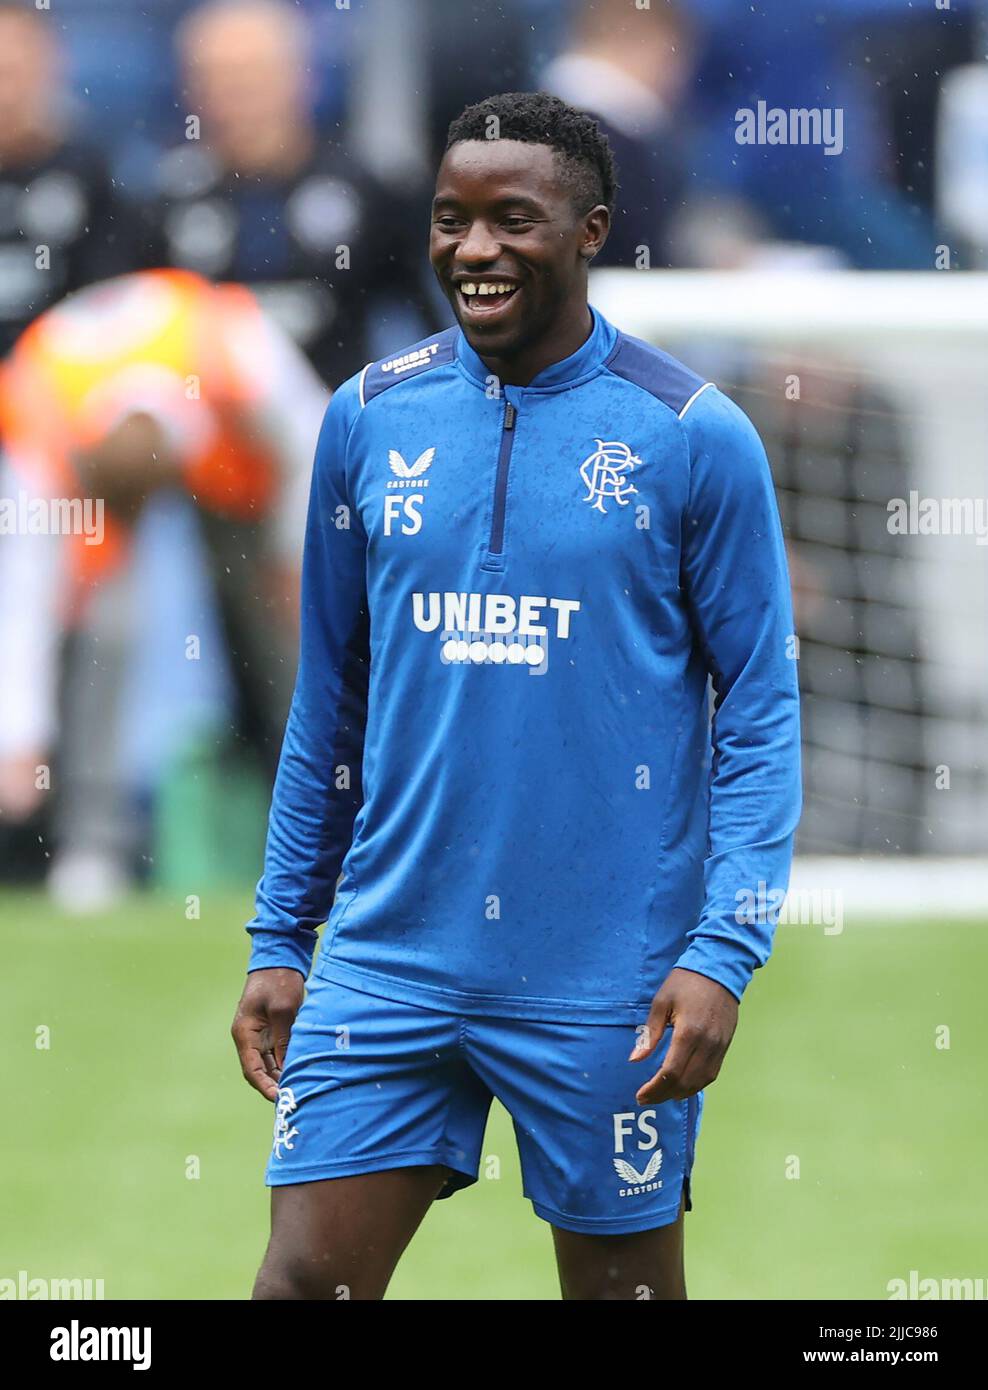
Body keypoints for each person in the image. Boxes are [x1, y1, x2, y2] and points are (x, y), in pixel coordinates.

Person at [232, 92, 801, 1301]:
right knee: (297, 1288)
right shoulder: (369, 421)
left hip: (607, 977)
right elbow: (327, 703)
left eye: (512, 220)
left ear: (591, 229)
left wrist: (722, 953)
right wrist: (284, 934)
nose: (474, 249)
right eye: (451, 220)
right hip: (388, 956)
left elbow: (758, 713)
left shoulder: (690, 436)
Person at [0, 268, 328, 907]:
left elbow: (320, 449)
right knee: (102, 630)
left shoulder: (232, 345)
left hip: (258, 484)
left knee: (286, 637)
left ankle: (326, 827)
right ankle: (91, 844)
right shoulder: (39, 404)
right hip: (101, 481)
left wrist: (297, 566)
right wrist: (20, 736)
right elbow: (27, 593)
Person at [143, 0, 440, 386]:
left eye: (253, 77)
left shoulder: (370, 191)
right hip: (211, 430)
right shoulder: (164, 203)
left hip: (337, 425)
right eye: (216, 80)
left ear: (303, 79)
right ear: (189, 92)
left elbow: (433, 325)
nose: (236, 100)